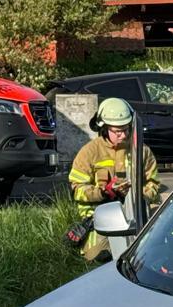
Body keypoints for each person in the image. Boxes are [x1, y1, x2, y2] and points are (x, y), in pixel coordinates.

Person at [66, 97, 161, 260]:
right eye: (117, 131)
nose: (123, 135)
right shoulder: (89, 152)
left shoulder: (142, 152)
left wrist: (138, 196)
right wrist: (104, 192)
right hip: (100, 216)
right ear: (103, 128)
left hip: (137, 215)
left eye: (126, 129)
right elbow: (76, 190)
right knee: (99, 256)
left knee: (152, 250)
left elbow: (154, 185)